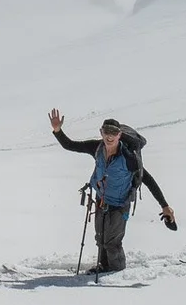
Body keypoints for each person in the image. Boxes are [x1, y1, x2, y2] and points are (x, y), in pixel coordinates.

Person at [48, 110, 176, 273]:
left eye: (114, 133)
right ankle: (104, 267)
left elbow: (147, 179)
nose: (109, 136)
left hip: (120, 203)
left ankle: (116, 271)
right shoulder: (96, 147)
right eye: (106, 132)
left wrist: (164, 205)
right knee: (100, 238)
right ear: (101, 132)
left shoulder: (129, 158)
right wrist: (57, 130)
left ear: (119, 135)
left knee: (112, 242)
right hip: (101, 199)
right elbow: (70, 145)